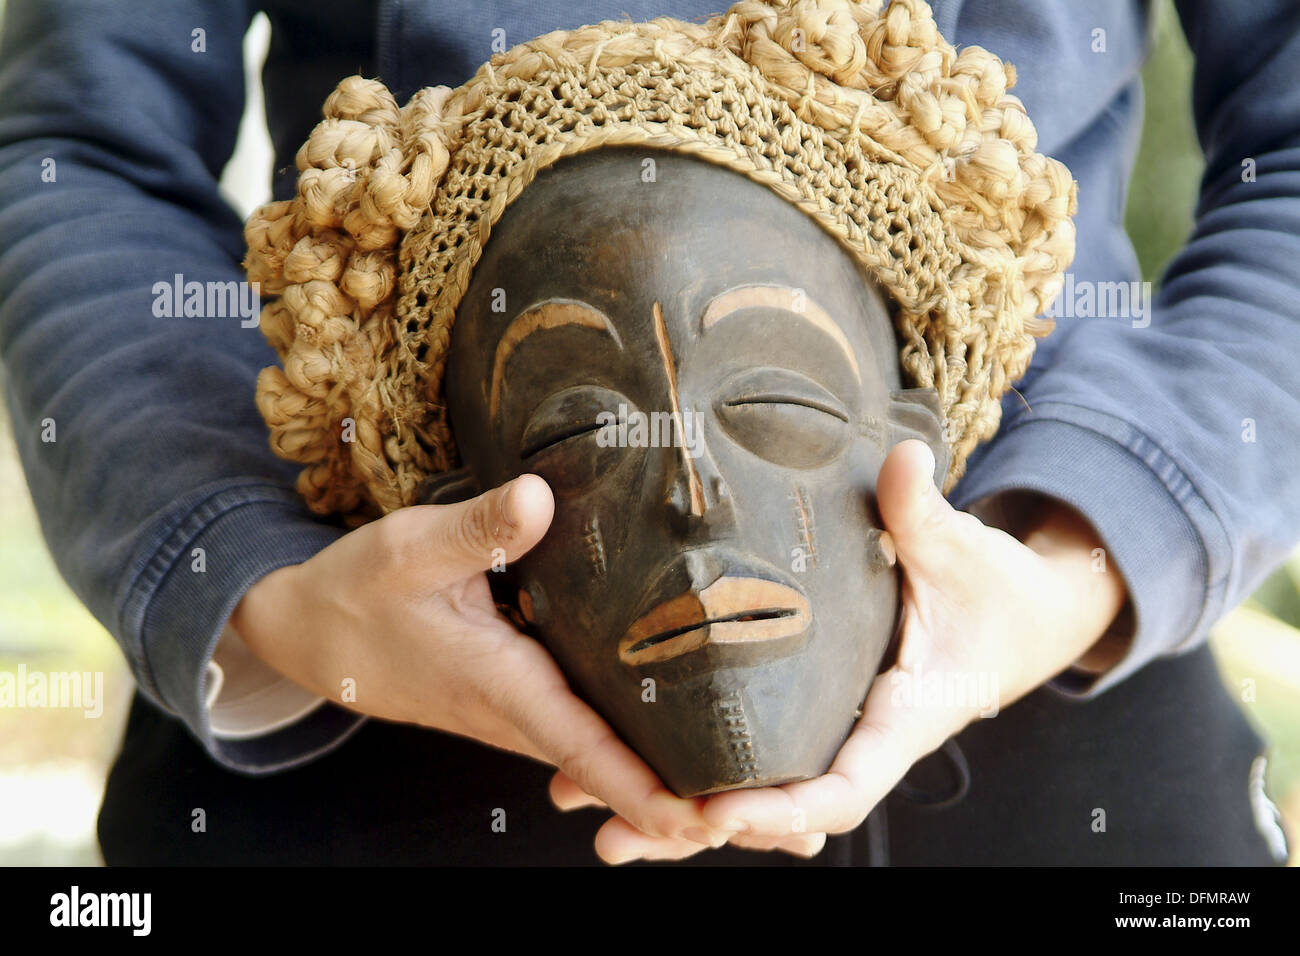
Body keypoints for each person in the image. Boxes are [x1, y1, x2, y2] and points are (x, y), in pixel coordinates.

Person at [0, 0, 1295, 866]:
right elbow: (79, 143)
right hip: (377, 692)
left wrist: (1098, 546)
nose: (692, 494)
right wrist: (265, 601)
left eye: (771, 399)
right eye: (584, 422)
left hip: (1050, 676)